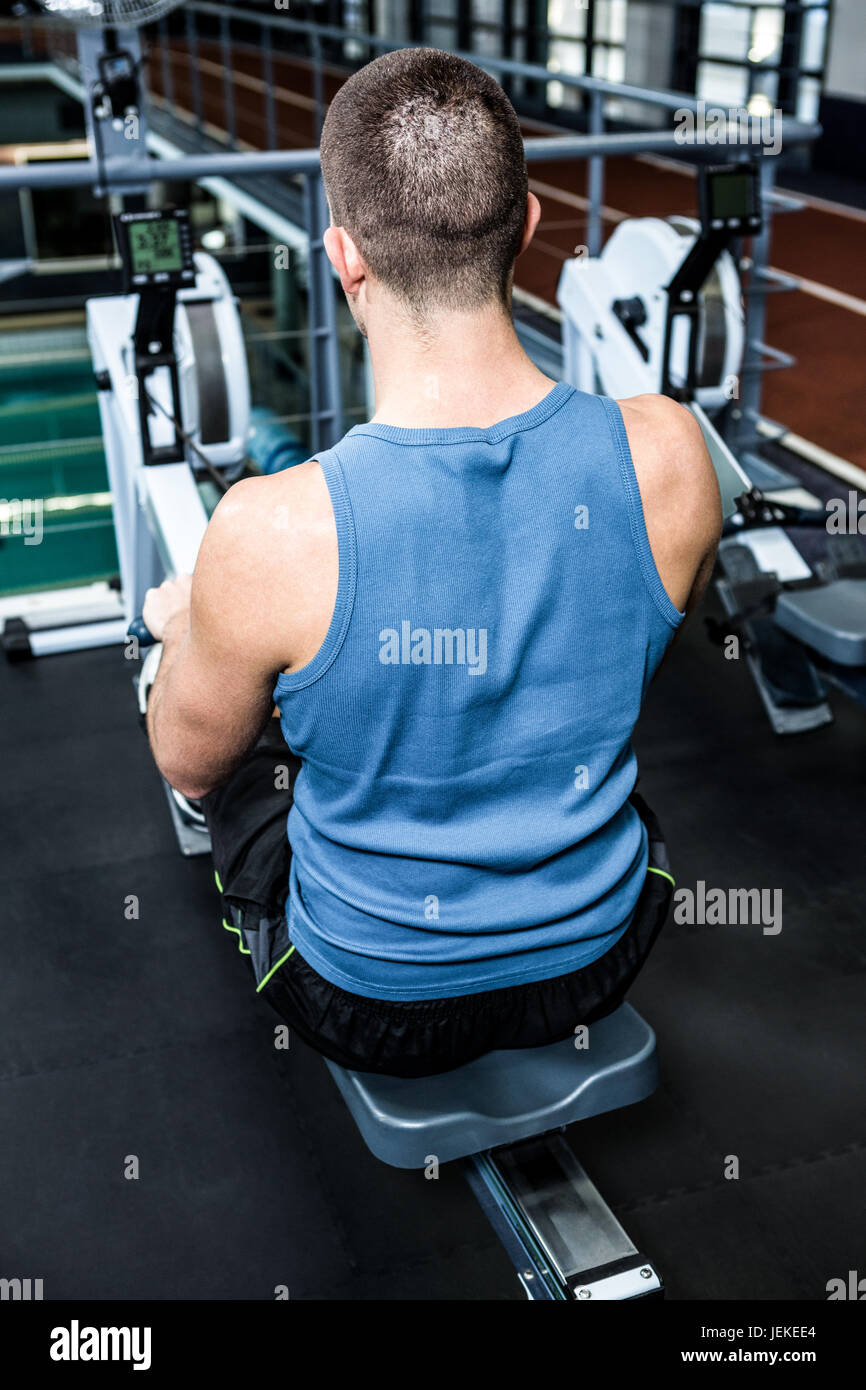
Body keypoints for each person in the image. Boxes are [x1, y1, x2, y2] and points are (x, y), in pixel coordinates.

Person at [142, 47, 721, 1078]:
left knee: (216, 730)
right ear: (531, 225)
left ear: (341, 256)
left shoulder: (270, 531)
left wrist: (190, 625)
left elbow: (187, 769)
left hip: (370, 1000)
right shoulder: (670, 456)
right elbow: (618, 648)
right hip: (600, 956)